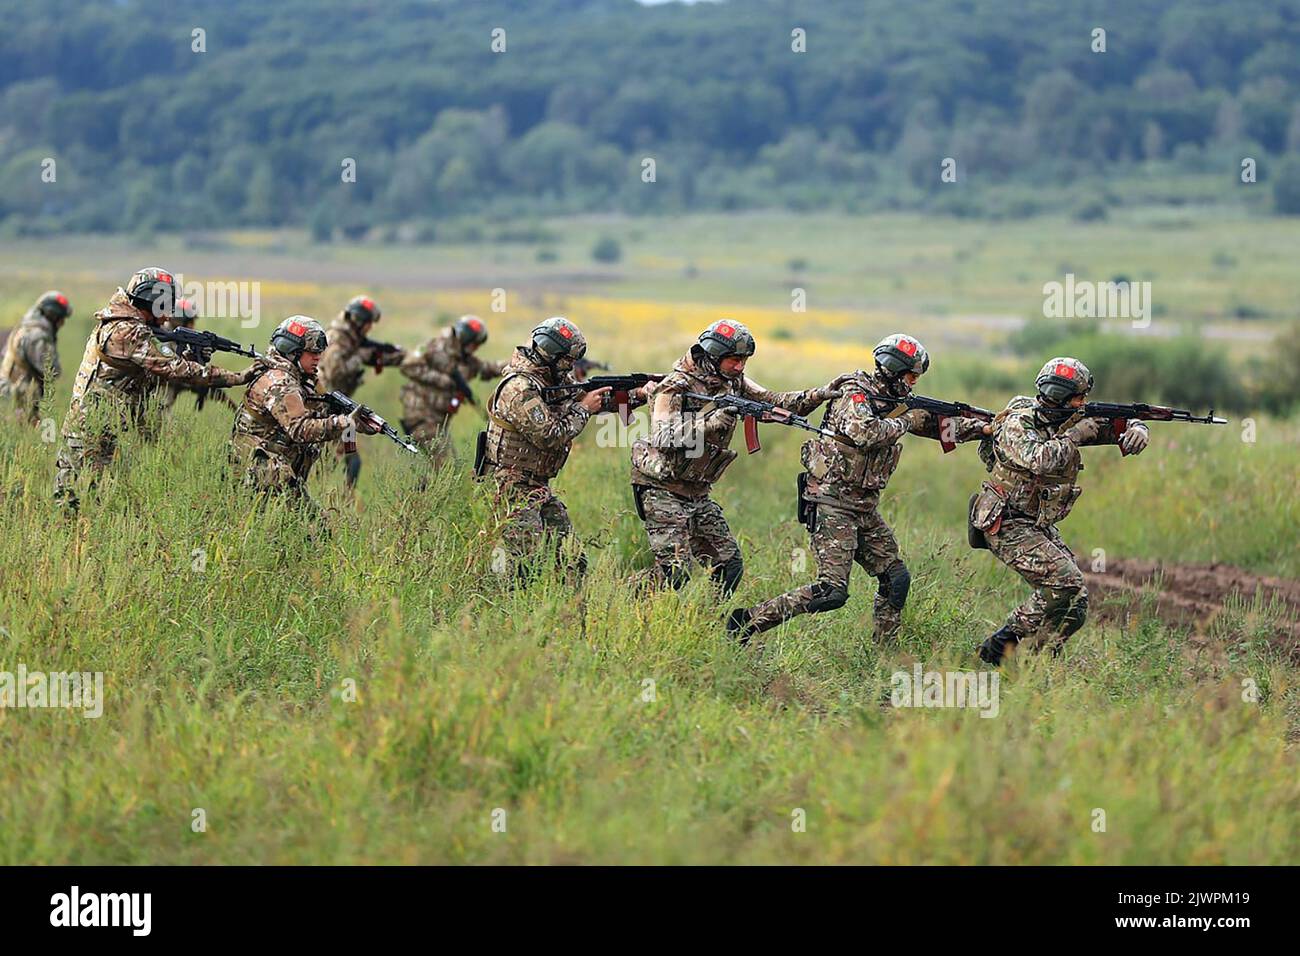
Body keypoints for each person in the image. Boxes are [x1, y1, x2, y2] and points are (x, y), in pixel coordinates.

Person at [729, 334, 989, 644]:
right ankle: (745, 623)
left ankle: (885, 651)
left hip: (864, 506)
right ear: (892, 370)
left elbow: (937, 427)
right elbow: (865, 432)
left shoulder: (895, 402)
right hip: (831, 501)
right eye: (910, 375)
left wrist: (984, 428)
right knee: (831, 592)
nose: (914, 382)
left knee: (896, 579)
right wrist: (907, 421)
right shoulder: (855, 394)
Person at [628, 319, 838, 598]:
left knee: (729, 564)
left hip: (697, 492)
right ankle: (623, 596)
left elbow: (774, 400)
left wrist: (819, 394)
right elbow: (664, 437)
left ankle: (710, 621)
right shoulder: (675, 386)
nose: (740, 367)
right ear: (714, 356)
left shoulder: (733, 382)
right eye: (734, 360)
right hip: (663, 489)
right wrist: (712, 422)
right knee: (675, 573)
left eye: (744, 361)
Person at [971, 357, 1150, 665]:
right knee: (1065, 583)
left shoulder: (1065, 419)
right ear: (1060, 397)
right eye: (1079, 397)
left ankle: (1038, 666)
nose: (1084, 403)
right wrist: (1076, 435)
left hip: (1036, 522)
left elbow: (1109, 425)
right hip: (1006, 521)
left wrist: (1137, 426)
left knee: (1076, 604)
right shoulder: (1019, 422)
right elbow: (1040, 459)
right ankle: (1001, 644)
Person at [54, 268, 256, 510]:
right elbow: (174, 369)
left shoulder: (121, 323)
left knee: (87, 503)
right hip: (92, 432)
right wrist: (238, 377)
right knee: (78, 505)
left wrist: (192, 355)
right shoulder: (128, 332)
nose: (169, 313)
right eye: (165, 305)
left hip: (98, 428)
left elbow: (158, 366)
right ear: (151, 300)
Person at [478, 316, 610, 584]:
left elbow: (580, 396)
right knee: (523, 566)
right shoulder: (520, 388)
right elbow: (550, 436)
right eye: (567, 361)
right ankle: (505, 615)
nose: (570, 367)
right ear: (551, 355)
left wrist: (638, 395)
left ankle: (570, 616)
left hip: (536, 486)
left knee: (571, 559)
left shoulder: (548, 378)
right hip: (512, 487)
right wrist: (585, 409)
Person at [230, 315, 380, 517]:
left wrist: (355, 424)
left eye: (319, 352)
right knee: (312, 531)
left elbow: (317, 413)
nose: (318, 357)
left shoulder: (302, 379)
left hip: (278, 473)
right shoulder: (280, 383)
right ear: (292, 351)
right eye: (312, 352)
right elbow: (300, 429)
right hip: (263, 475)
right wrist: (343, 423)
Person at [318, 295, 404, 489]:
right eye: (368, 324)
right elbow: (335, 371)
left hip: (339, 409)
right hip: (325, 409)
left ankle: (342, 496)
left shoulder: (353, 339)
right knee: (345, 459)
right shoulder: (338, 338)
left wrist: (399, 356)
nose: (369, 328)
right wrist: (362, 356)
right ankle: (342, 498)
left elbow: (371, 353)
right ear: (357, 321)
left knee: (344, 458)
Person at [399, 314, 505, 463]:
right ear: (465, 339)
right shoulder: (434, 347)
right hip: (421, 416)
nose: (475, 349)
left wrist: (511, 365)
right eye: (474, 345)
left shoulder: (466, 361)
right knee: (446, 464)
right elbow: (408, 365)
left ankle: (422, 487)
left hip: (438, 422)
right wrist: (441, 379)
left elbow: (487, 368)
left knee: (442, 467)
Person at [1, 290, 71, 426]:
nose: (62, 323)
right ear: (53, 316)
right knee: (33, 434)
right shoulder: (38, 337)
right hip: (18, 397)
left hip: (9, 392)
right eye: (61, 319)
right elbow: (52, 371)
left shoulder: (25, 327)